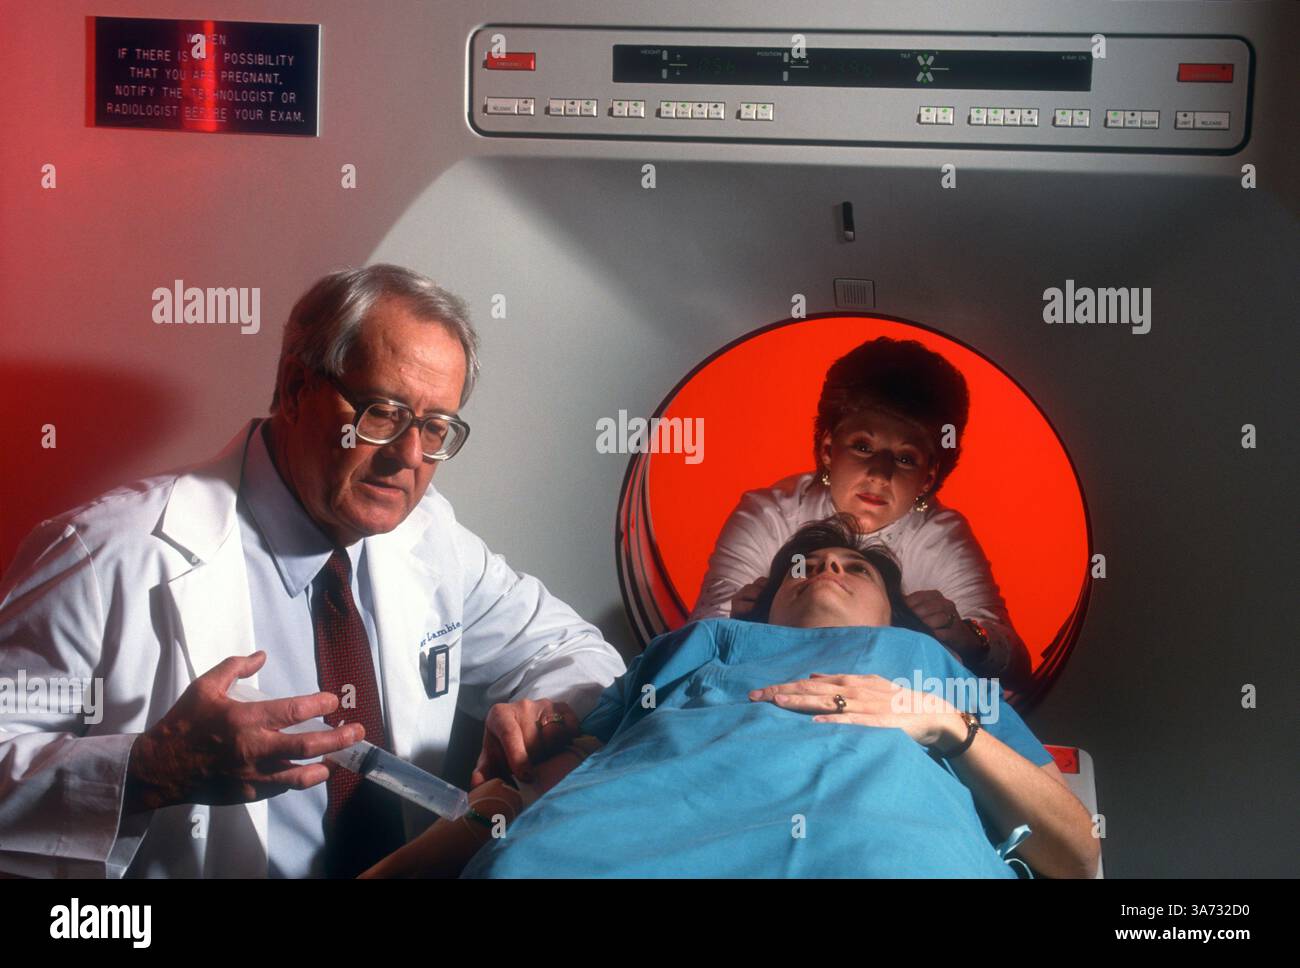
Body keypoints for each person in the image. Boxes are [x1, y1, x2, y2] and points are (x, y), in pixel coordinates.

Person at [0, 264, 625, 878]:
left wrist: (543, 717)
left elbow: (577, 652)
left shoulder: (430, 537)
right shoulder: (105, 554)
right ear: (297, 390)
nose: (408, 457)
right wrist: (154, 768)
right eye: (383, 413)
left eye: (435, 428)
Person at [366, 517, 1098, 879]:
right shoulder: (691, 646)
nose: (824, 571)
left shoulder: (928, 664)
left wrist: (941, 724)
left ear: (891, 613)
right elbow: (544, 785)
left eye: (853, 568)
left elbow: (1077, 855)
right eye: (803, 567)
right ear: (768, 599)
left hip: (874, 850)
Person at [689, 336, 1032, 690]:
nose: (880, 475)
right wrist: (739, 621)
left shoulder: (941, 538)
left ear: (928, 476)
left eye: (905, 458)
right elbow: (696, 644)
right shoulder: (769, 513)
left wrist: (967, 636)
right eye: (863, 447)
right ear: (827, 449)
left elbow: (1018, 673)